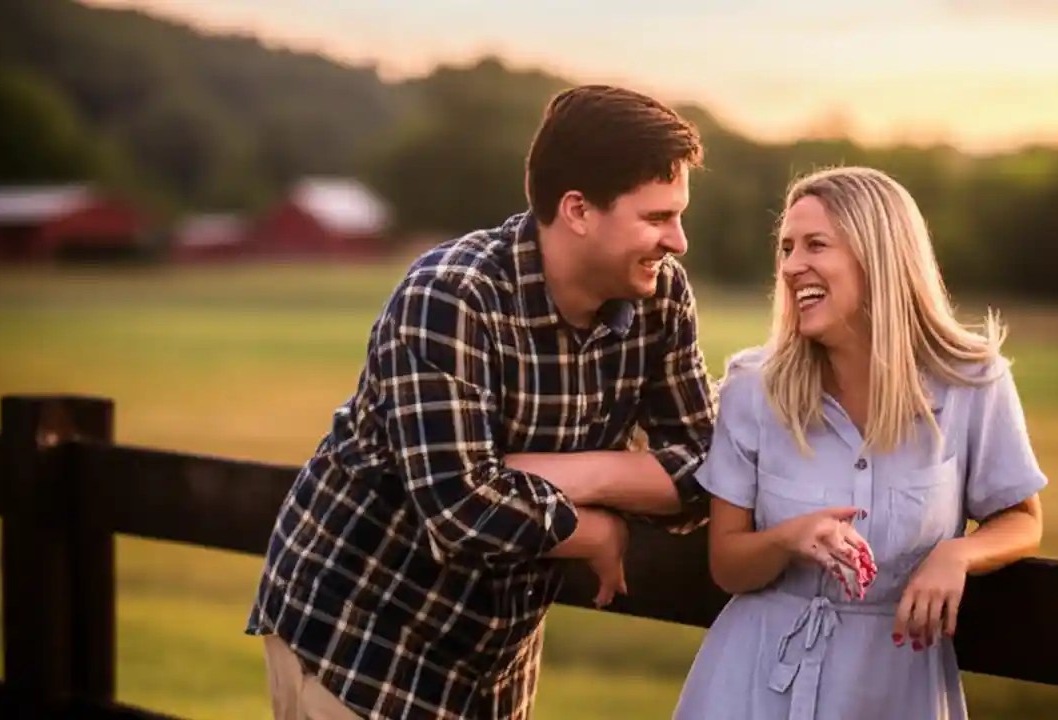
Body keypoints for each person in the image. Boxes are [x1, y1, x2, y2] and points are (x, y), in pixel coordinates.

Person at [247, 85, 717, 720]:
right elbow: (461, 512)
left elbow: (702, 469)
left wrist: (585, 473)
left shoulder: (661, 297)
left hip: (495, 657)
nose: (678, 241)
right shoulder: (452, 296)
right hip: (360, 632)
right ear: (577, 209)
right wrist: (593, 527)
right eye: (657, 218)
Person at [673, 166, 1047, 719]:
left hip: (896, 685)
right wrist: (790, 538)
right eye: (787, 248)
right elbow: (727, 564)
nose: (792, 266)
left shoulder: (973, 383)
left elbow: (1022, 519)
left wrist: (958, 554)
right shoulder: (754, 387)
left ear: (878, 255)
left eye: (815, 245)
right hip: (750, 686)